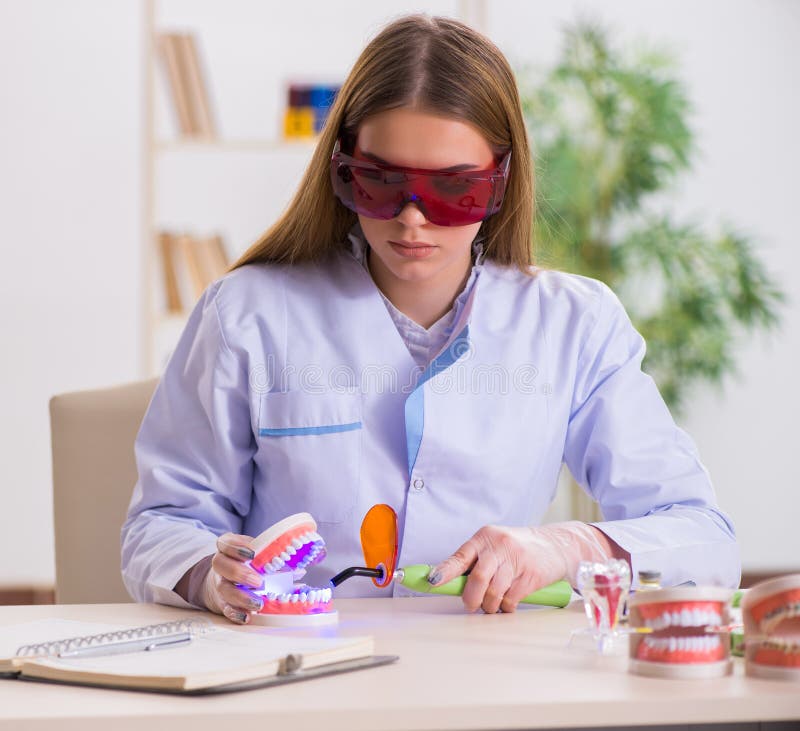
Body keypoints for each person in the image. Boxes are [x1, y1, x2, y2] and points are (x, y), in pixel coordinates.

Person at [121, 14, 740, 625]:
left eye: (453, 190)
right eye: (381, 182)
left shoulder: (576, 324)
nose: (412, 219)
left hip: (489, 678)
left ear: (501, 182)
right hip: (297, 673)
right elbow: (161, 524)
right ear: (342, 170)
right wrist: (208, 573)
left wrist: (568, 546)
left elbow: (703, 538)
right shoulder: (246, 315)